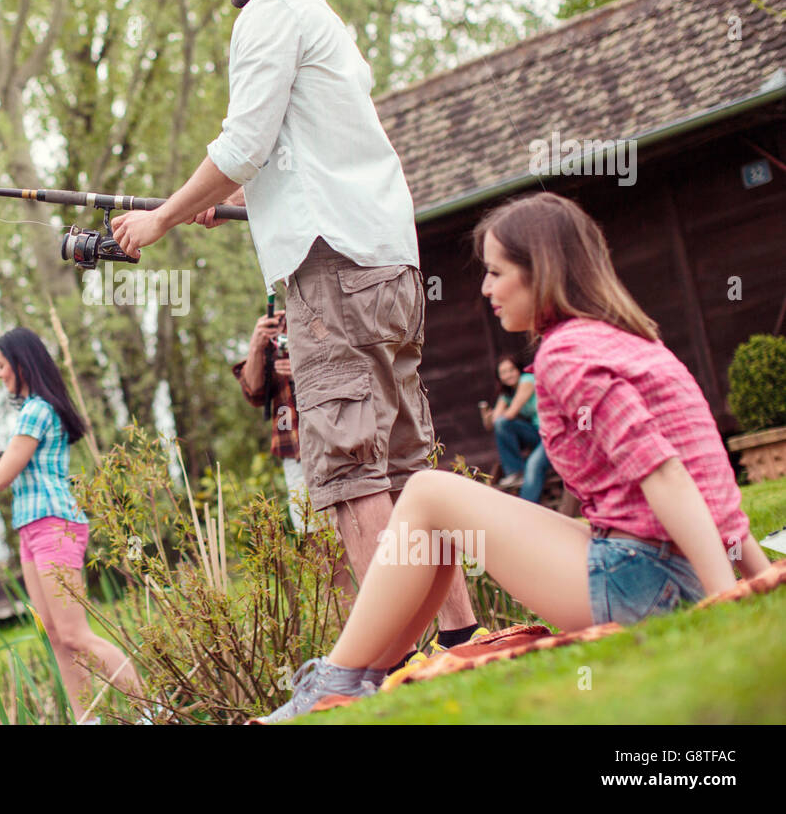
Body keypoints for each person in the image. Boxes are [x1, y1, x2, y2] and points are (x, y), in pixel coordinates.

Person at [110, 0, 484, 668]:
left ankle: (396, 662)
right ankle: (463, 640)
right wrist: (235, 196)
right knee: (410, 465)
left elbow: (244, 140)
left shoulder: (270, 13)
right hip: (388, 263)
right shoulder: (325, 20)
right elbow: (296, 148)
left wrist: (162, 218)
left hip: (328, 274)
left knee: (350, 469)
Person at [258, 192, 773, 722]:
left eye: (497, 273)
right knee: (435, 514)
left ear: (541, 272)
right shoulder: (632, 342)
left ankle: (335, 682)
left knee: (428, 491)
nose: (486, 289)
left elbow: (665, 472)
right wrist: (753, 576)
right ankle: (367, 677)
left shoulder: (567, 355)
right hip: (660, 568)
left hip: (647, 584)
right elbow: (710, 476)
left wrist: (724, 600)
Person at [0, 327, 143, 723]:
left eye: (0, 365)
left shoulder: (37, 410)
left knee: (76, 634)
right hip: (32, 529)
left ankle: (151, 715)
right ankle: (87, 720)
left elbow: (2, 479)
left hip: (54, 526)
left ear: (21, 364)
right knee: (58, 637)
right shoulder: (32, 411)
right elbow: (20, 468)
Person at [233, 309, 356, 600]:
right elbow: (254, 392)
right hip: (297, 452)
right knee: (324, 552)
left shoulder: (317, 315)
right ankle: (347, 636)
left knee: (361, 532)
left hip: (340, 442)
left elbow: (345, 362)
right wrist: (256, 343)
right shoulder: (274, 326)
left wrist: (305, 365)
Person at [482, 354, 548, 502]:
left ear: (518, 369)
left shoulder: (527, 380)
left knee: (533, 465)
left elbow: (510, 414)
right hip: (535, 433)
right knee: (502, 425)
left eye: (511, 370)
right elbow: (495, 423)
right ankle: (515, 472)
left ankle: (527, 509)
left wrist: (497, 415)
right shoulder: (507, 393)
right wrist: (491, 417)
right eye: (503, 372)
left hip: (549, 433)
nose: (508, 375)